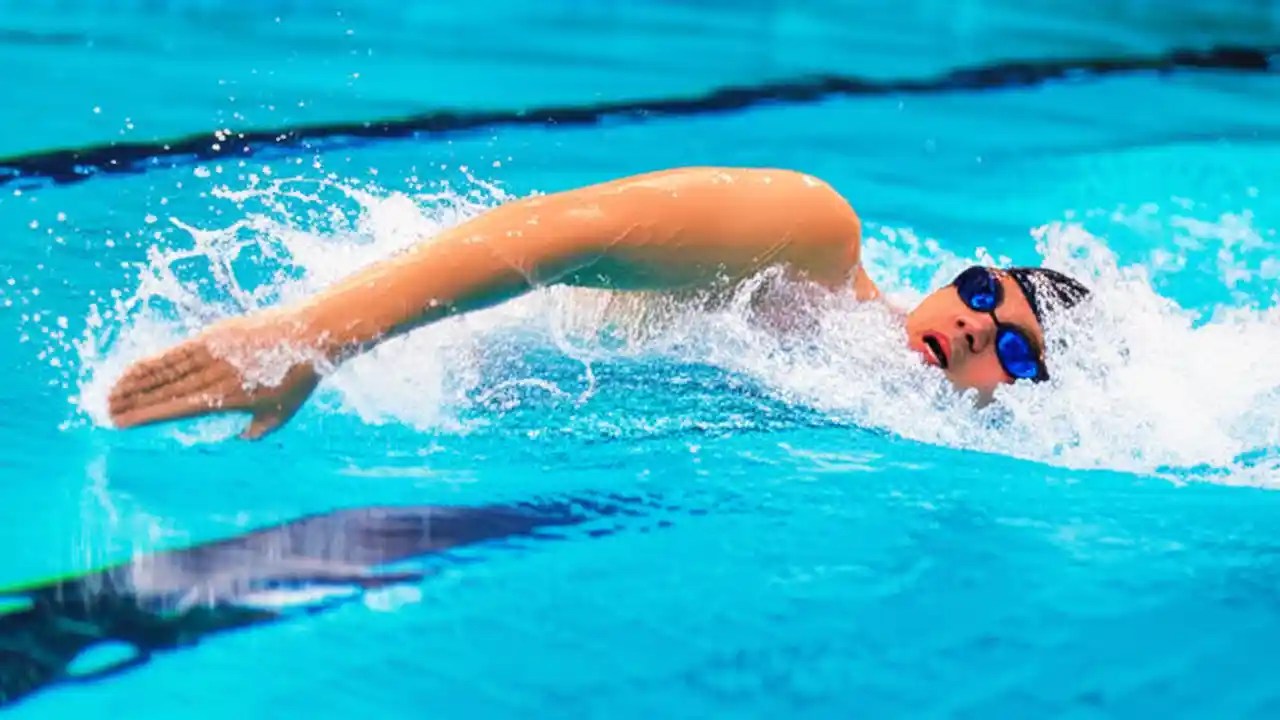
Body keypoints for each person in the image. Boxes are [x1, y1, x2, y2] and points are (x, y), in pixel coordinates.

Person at [106, 166, 1090, 439]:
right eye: (977, 295)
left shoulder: (865, 413)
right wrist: (314, 335)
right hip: (417, 343)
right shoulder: (808, 238)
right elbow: (563, 229)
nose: (969, 326)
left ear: (1015, 393)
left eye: (1007, 350)